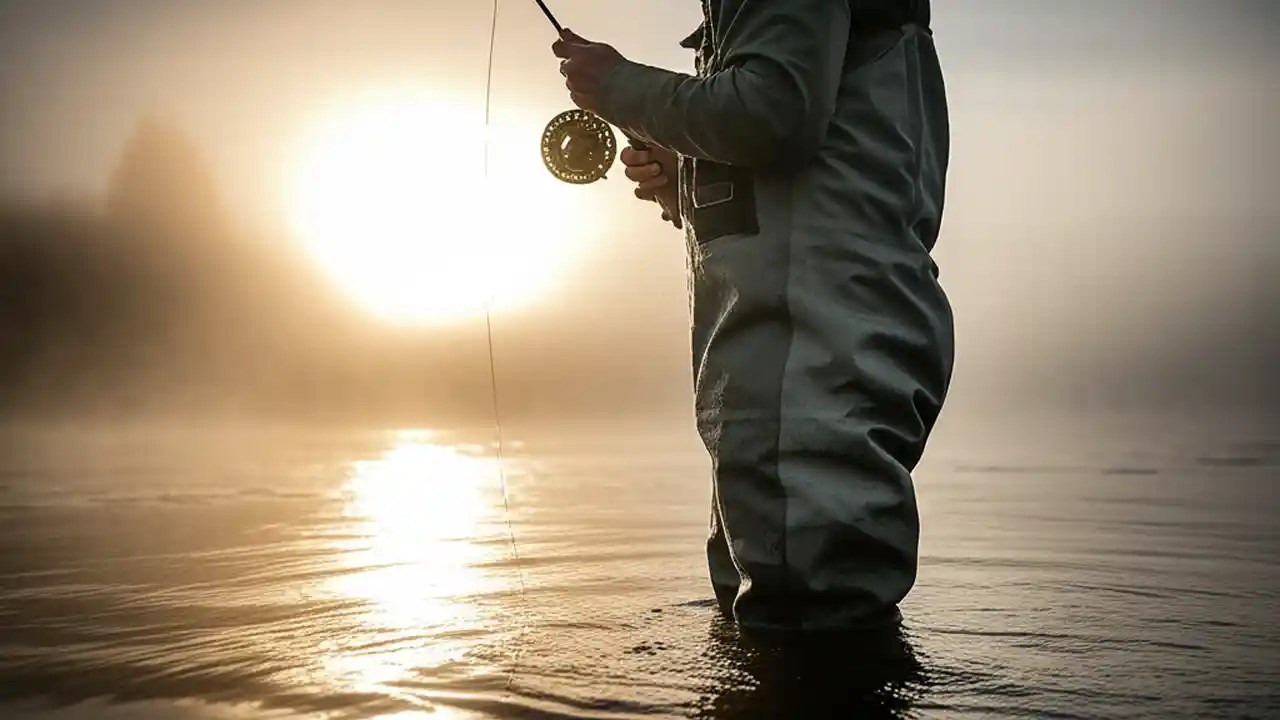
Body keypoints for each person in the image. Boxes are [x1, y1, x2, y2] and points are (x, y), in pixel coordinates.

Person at [554, 0, 953, 632]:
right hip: (800, 351)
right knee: (778, 606)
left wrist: (619, 87)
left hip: (809, 350)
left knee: (806, 620)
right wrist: (688, 177)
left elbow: (774, 114)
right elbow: (808, 164)